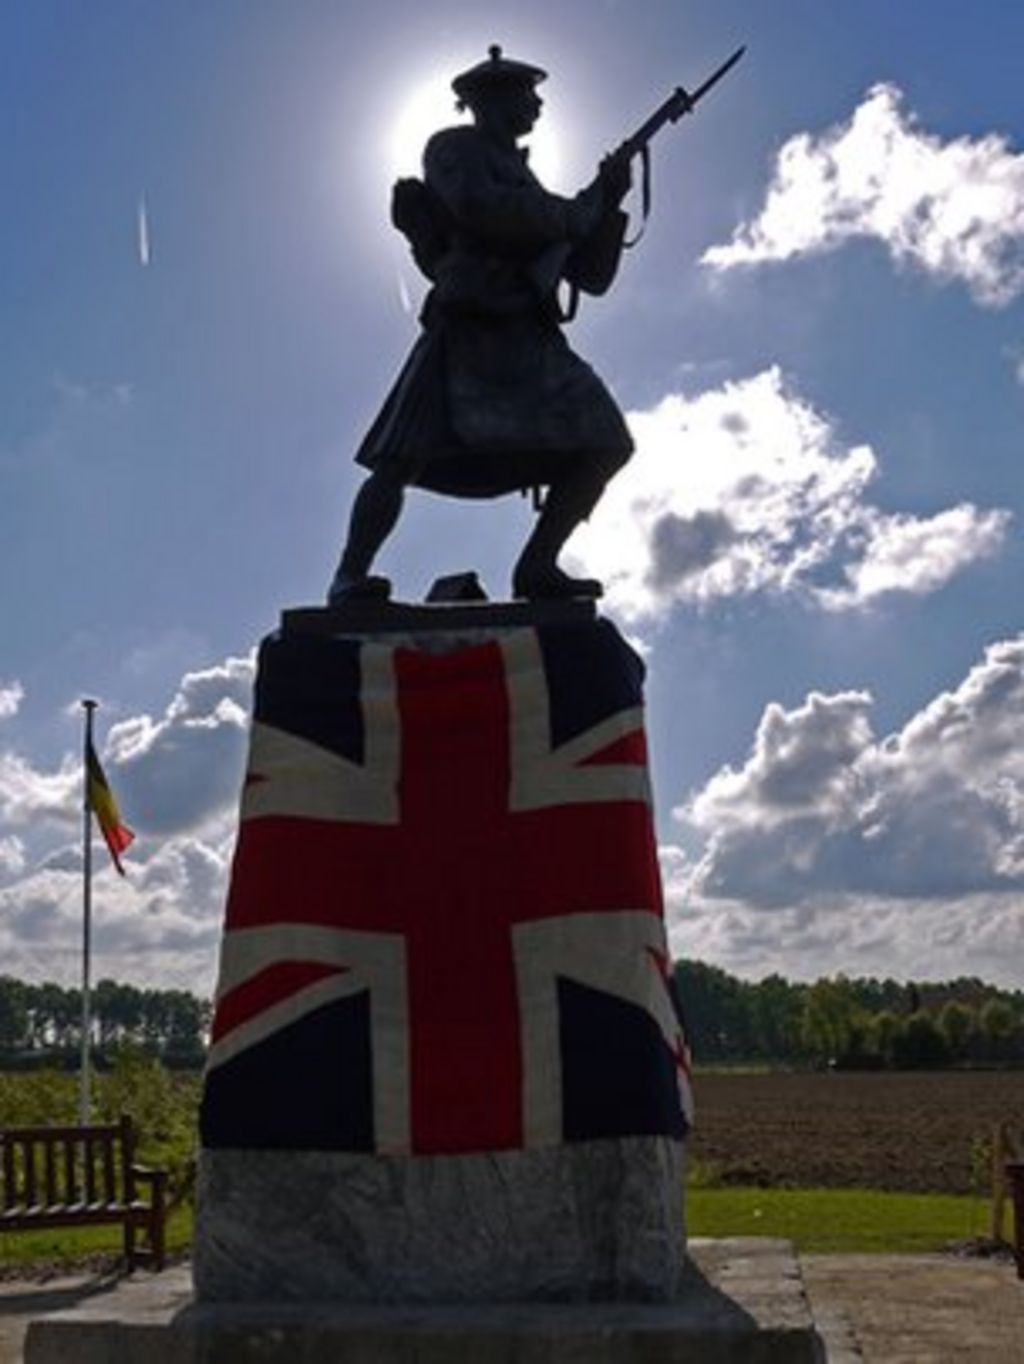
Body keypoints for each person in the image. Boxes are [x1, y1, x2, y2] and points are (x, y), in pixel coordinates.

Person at [328, 45, 634, 604]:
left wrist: (608, 203)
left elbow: (590, 275)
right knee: (399, 459)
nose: (537, 104)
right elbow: (484, 208)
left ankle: (538, 566)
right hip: (468, 323)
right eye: (527, 93)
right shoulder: (453, 148)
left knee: (605, 441)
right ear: (490, 101)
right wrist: (578, 212)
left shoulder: (526, 176)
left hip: (527, 332)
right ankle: (349, 576)